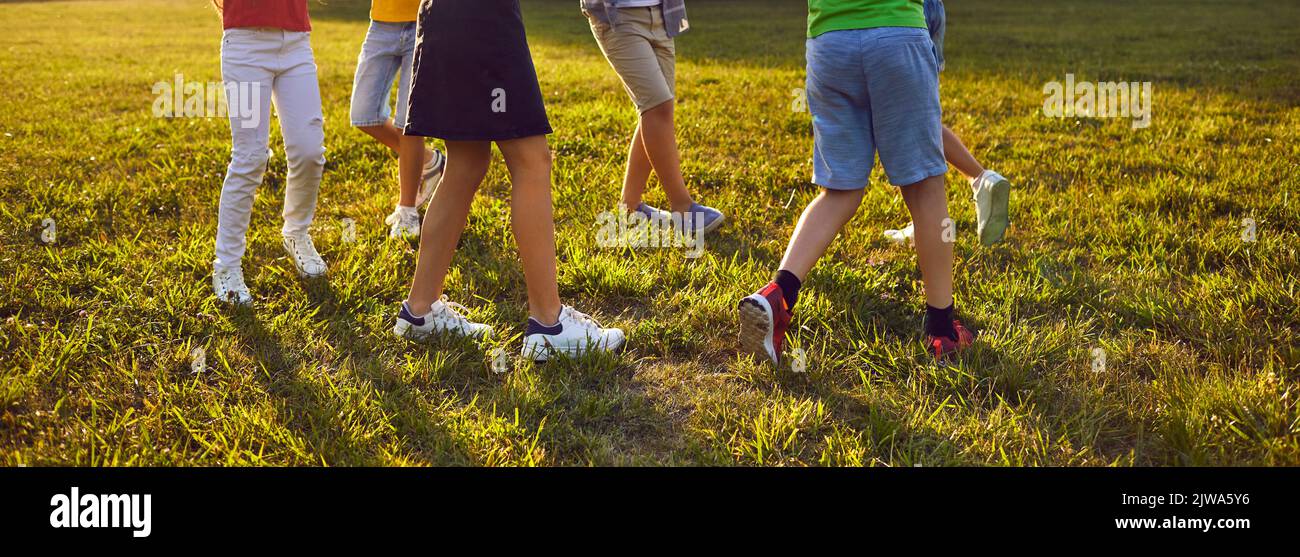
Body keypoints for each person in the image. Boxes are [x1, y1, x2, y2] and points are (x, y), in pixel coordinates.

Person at [739, 0, 976, 363]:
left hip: (829, 42)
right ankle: (943, 331)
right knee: (926, 187)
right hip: (896, 33)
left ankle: (779, 293)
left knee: (839, 191)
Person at [393, 0, 625, 361]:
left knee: (466, 162)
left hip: (444, 15)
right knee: (532, 160)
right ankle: (549, 324)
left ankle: (419, 310)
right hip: (483, 19)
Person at [211, 0, 328, 305]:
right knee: (250, 157)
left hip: (296, 44)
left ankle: (296, 233)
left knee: (309, 151)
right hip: (245, 47)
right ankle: (227, 266)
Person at [581, 0, 723, 231]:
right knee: (658, 107)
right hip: (618, 18)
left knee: (657, 110)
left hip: (662, 14)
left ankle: (630, 206)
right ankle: (683, 208)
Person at [882, 0, 1011, 247]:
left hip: (897, 15)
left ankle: (931, 222)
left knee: (905, 125)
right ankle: (978, 181)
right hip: (929, 8)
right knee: (919, 121)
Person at [349, 0, 447, 240]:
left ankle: (407, 211)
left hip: (425, 21)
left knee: (408, 124)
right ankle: (429, 160)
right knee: (363, 114)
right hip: (381, 24)